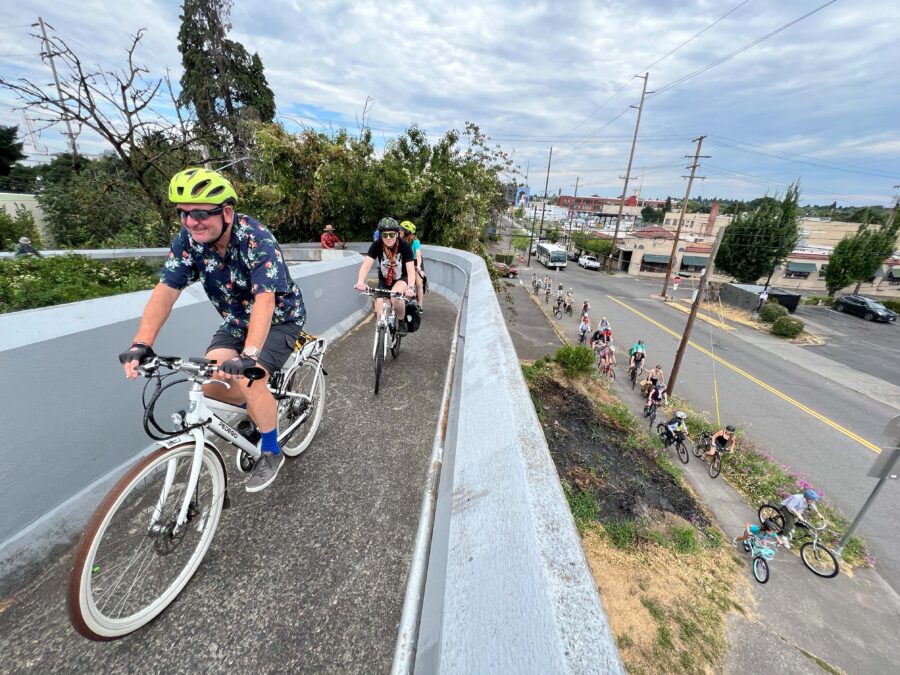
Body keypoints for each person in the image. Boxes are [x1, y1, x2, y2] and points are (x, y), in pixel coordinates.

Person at [119, 168, 306, 493]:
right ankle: (259, 409)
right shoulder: (189, 242)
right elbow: (166, 290)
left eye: (202, 213)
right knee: (209, 381)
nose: (192, 222)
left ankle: (271, 448)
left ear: (227, 212)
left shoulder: (256, 239)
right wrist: (141, 343)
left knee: (252, 376)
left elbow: (265, 299)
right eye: (184, 214)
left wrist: (249, 355)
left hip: (279, 319)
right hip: (234, 322)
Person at [354, 217, 417, 333]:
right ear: (381, 235)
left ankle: (401, 321)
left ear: (397, 234)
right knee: (380, 313)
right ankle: (381, 340)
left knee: (395, 297)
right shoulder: (377, 245)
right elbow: (366, 265)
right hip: (384, 280)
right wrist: (360, 281)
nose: (388, 238)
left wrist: (411, 287)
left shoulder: (404, 246)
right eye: (385, 235)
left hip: (401, 278)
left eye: (391, 235)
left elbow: (411, 270)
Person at [400, 220, 424, 310]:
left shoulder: (415, 242)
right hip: (404, 262)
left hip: (414, 262)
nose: (400, 231)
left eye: (402, 230)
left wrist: (418, 266)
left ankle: (420, 305)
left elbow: (418, 256)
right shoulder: (400, 241)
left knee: (418, 284)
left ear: (407, 232)